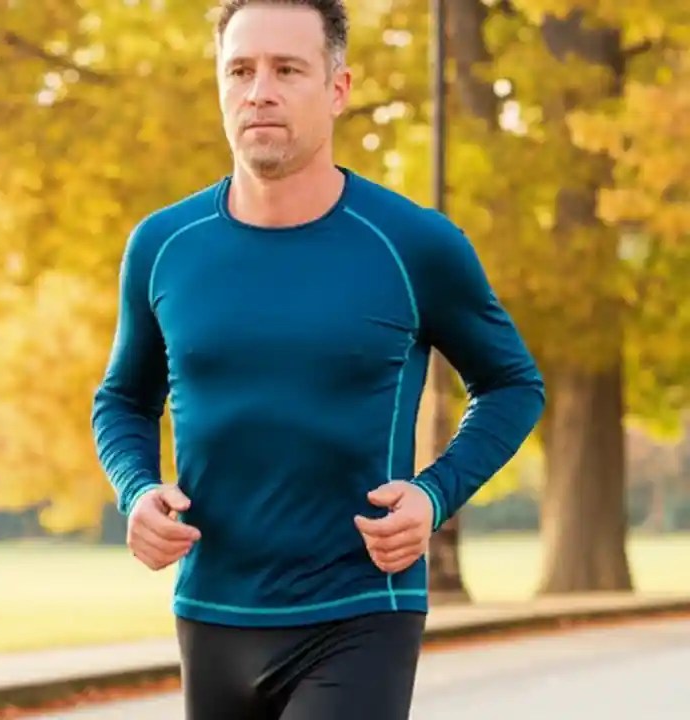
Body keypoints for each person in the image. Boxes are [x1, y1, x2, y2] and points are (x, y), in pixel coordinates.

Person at [89, 1, 546, 718]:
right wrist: (136, 489)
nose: (258, 90)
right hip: (212, 608)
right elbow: (122, 399)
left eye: (286, 70)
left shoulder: (412, 243)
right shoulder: (163, 245)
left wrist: (434, 494)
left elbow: (513, 382)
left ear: (338, 88)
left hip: (361, 607)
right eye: (239, 70)